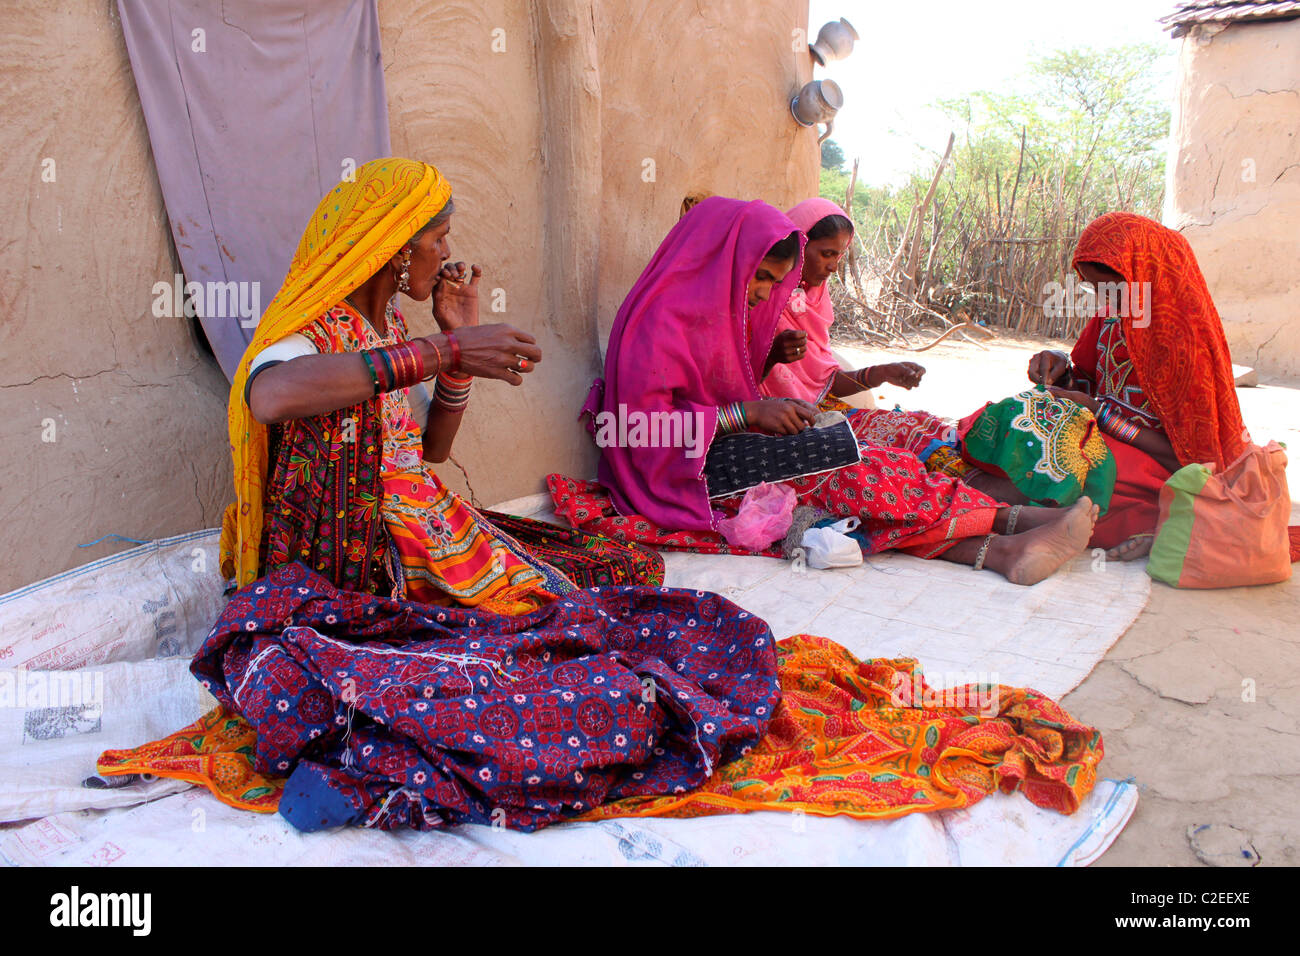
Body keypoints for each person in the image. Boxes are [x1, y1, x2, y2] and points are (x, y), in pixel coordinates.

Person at [586, 196, 1098, 586]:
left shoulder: (713, 319)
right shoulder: (656, 326)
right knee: (853, 471)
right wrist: (745, 415)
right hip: (678, 477)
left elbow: (735, 398)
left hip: (716, 451)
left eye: (773, 283)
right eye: (760, 277)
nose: (763, 294)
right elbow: (631, 429)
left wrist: (752, 414)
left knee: (858, 468)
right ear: (720, 260)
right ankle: (1015, 530)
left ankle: (1007, 543)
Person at [224, 157, 581, 614]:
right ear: (397, 250)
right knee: (537, 622)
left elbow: (430, 451)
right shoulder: (313, 331)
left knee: (611, 574)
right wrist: (441, 351)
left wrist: (455, 355)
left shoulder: (388, 326)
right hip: (357, 544)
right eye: (438, 237)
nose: (448, 251)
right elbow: (270, 397)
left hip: (423, 518)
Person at [981, 212, 1250, 560]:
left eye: (1116, 288)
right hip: (1104, 438)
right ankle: (1044, 518)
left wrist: (1102, 414)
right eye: (1098, 289)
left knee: (1068, 468)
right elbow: (1091, 382)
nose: (1108, 299)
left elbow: (1195, 461)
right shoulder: (1112, 316)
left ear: (1148, 275)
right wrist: (1059, 370)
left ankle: (1135, 524)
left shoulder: (1185, 340)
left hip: (1155, 465)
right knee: (1013, 423)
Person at [760, 198, 967, 477]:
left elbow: (823, 383)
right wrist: (772, 357)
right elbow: (737, 383)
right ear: (799, 243)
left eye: (839, 256)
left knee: (925, 427)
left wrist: (881, 373)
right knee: (895, 454)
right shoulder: (760, 299)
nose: (833, 266)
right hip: (780, 424)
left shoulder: (813, 301)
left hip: (821, 411)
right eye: (826, 254)